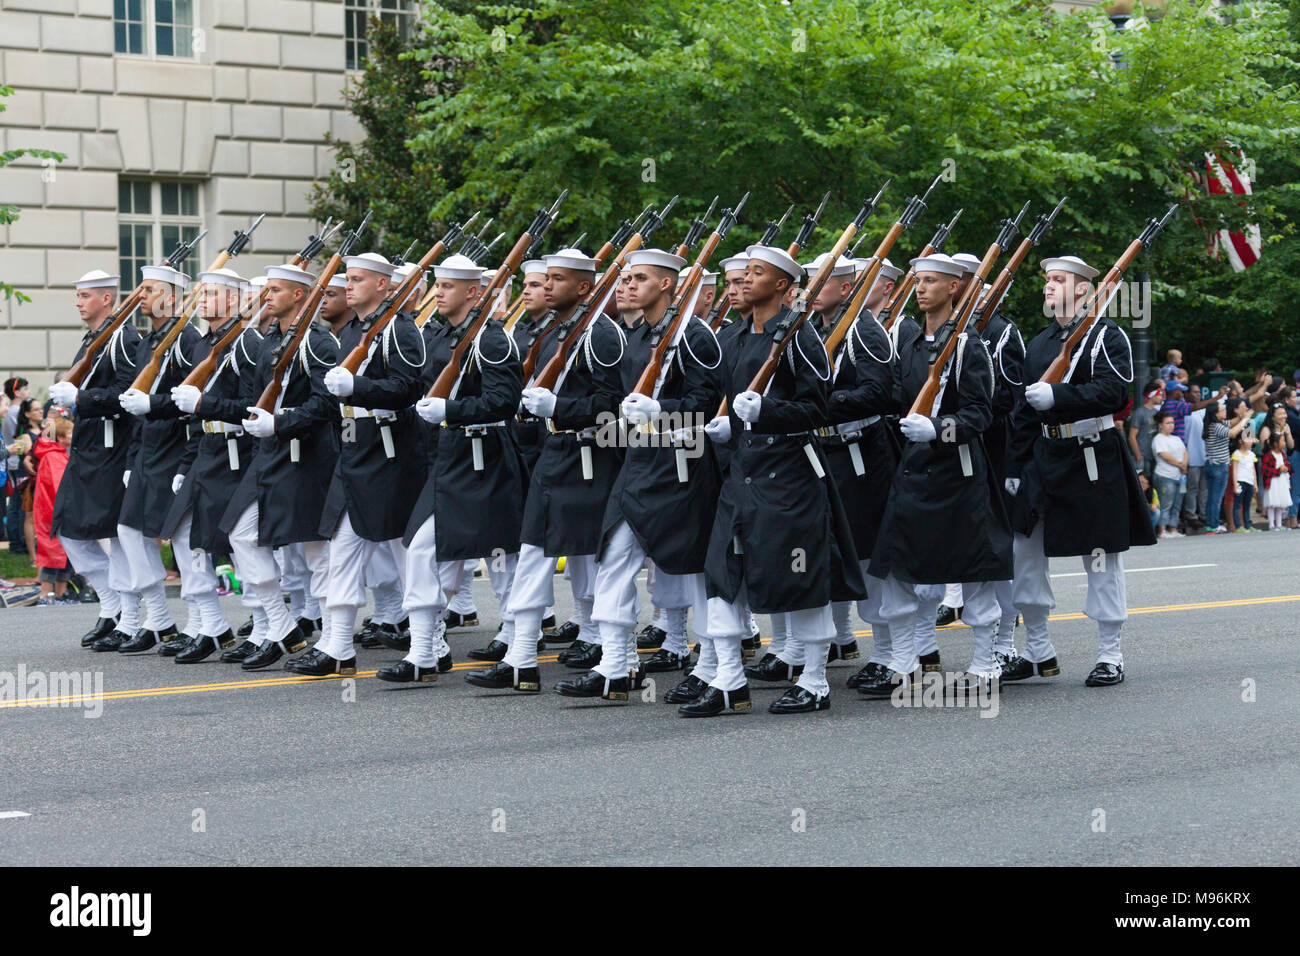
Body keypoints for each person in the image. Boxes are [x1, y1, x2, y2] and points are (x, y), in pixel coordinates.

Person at [856, 250, 1008, 699]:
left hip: (956, 474)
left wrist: (940, 429)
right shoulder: (910, 345)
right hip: (913, 473)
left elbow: (981, 414)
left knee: (972, 568)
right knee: (900, 569)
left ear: (954, 287)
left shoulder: (968, 346)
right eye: (918, 280)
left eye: (931, 281)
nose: (920, 288)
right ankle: (904, 660)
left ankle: (985, 661)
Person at [1003, 254, 1155, 688]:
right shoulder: (1041, 342)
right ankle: (1037, 650)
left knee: (1101, 556)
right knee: (1025, 552)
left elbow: (1114, 392)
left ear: (1084, 289)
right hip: (1044, 455)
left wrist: (1060, 397)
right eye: (1047, 280)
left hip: (1091, 452)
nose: (1048, 287)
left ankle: (1111, 654)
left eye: (1058, 280)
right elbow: (1023, 410)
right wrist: (1014, 467)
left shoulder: (1106, 335)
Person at [219, 262, 339, 670]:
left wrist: (281, 422)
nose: (267, 296)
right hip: (270, 456)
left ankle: (335, 644)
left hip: (307, 457)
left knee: (316, 551)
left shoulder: (319, 342)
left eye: (275, 290)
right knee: (240, 533)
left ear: (300, 295)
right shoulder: (272, 339)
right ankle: (281, 624)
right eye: (266, 289)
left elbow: (327, 404)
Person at [165, 268, 261, 662]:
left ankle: (265, 626)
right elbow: (196, 418)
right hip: (207, 450)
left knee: (242, 543)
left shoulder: (248, 343)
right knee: (186, 533)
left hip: (238, 454)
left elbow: (253, 408)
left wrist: (206, 405)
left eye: (212, 293)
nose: (201, 299)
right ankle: (211, 623)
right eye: (201, 292)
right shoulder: (207, 344)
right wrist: (185, 464)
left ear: (235, 300)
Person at [31, 418, 73, 604]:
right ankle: (47, 595)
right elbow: (59, 487)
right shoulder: (54, 456)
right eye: (71, 433)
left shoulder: (54, 454)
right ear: (62, 437)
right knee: (53, 555)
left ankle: (59, 595)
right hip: (54, 512)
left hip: (50, 511)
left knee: (61, 554)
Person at [1202, 398, 1244, 534]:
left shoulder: (1213, 424)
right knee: (1216, 498)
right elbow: (1232, 433)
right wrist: (1245, 420)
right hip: (1219, 466)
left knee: (1211, 498)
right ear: (1216, 414)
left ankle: (1210, 524)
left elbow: (1232, 423)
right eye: (1222, 410)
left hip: (1210, 464)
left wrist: (1241, 416)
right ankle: (1213, 525)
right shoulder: (1217, 426)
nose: (1225, 411)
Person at [4, 377, 31, 555]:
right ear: (17, 392)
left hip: (12, 460)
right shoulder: (15, 412)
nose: (28, 391)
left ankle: (16, 540)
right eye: (25, 389)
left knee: (15, 502)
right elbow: (21, 435)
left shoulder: (11, 411)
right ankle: (19, 541)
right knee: (20, 503)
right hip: (16, 460)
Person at [1150, 411, 1187, 538]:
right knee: (1166, 503)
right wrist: (1180, 464)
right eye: (1168, 423)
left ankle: (1173, 528)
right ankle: (1162, 530)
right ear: (1160, 425)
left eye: (1172, 422)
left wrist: (1184, 465)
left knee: (1177, 504)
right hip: (1165, 475)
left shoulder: (1176, 438)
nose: (1171, 425)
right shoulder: (1158, 439)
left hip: (1179, 476)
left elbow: (1185, 452)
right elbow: (1164, 456)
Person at [1127, 380, 1165, 480]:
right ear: (1152, 395)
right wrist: (1138, 456)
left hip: (1153, 455)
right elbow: (1131, 436)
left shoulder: (1156, 412)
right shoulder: (1139, 412)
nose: (1161, 397)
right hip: (1142, 456)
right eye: (1159, 395)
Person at [1260, 433, 1293, 530]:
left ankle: (1279, 524)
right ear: (1275, 443)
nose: (1284, 443)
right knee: (1272, 503)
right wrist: (1278, 470)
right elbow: (1265, 470)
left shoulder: (1282, 455)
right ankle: (1271, 524)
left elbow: (1288, 466)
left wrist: (1286, 469)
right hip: (1272, 483)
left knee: (1280, 503)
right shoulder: (1269, 455)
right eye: (1282, 440)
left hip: (1281, 482)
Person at [1231, 429, 1258, 531]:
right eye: (1248, 438)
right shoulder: (1236, 454)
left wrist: (1255, 483)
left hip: (1249, 481)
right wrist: (1235, 484)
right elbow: (1234, 470)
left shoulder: (1251, 454)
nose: (1251, 441)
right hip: (1240, 481)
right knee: (1237, 504)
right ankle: (1238, 525)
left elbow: (1253, 470)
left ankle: (1248, 525)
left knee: (1247, 504)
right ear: (1240, 441)